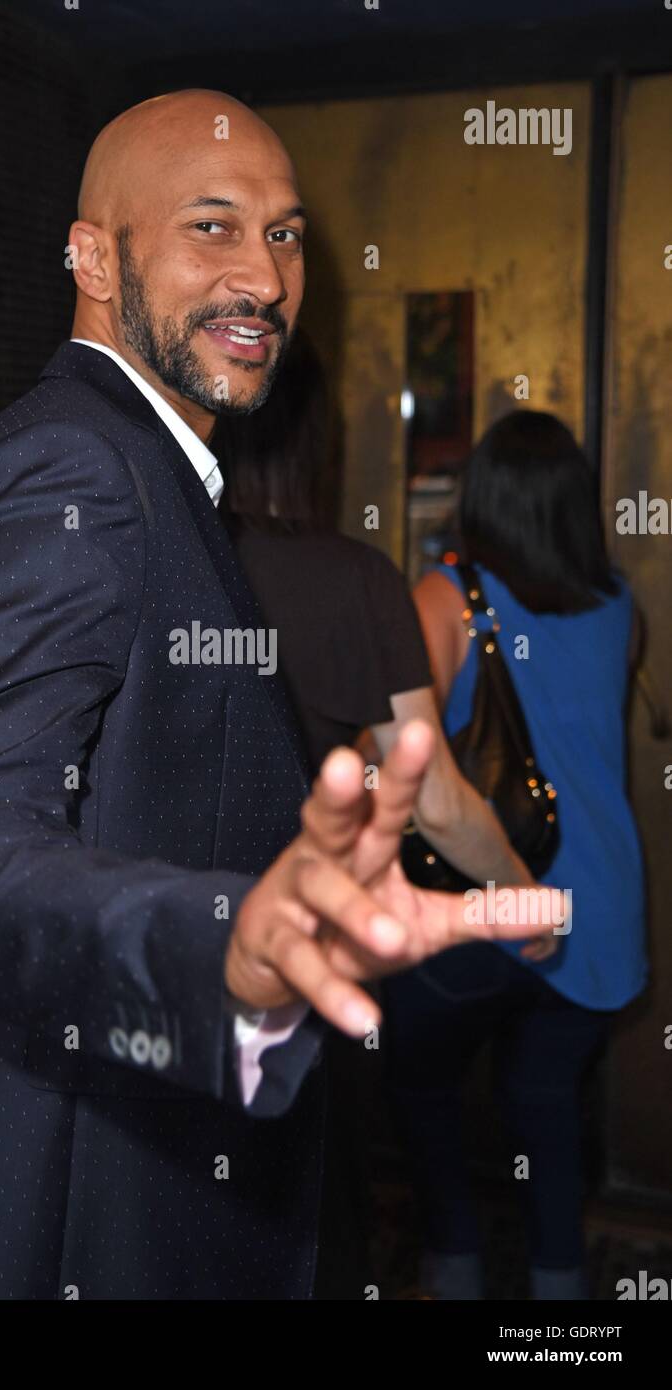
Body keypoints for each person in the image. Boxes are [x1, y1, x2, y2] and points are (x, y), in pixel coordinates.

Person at [0, 91, 557, 1301]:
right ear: (93, 257)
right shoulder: (72, 469)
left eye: (285, 233)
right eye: (212, 226)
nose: (262, 274)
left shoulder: (140, 468)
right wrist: (213, 950)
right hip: (43, 1206)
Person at [214, 330, 540, 1297]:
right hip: (310, 945)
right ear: (316, 437)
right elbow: (431, 789)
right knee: (314, 1213)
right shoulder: (354, 580)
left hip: (173, 946)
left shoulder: (161, 557)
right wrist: (523, 898)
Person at [381, 409, 648, 1300]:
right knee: (543, 1101)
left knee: (414, 1068)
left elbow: (400, 757)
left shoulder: (444, 596)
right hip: (600, 906)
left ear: (480, 497)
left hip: (491, 898)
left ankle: (452, 1260)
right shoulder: (617, 604)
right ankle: (559, 1304)